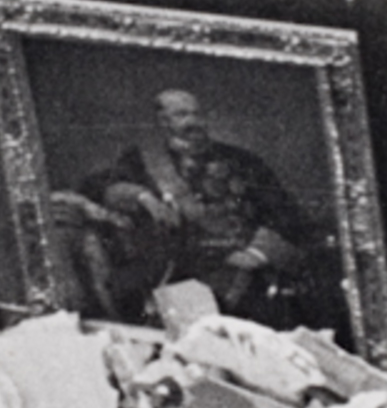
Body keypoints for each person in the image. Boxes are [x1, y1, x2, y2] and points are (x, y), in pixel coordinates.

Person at [49, 88, 327, 330]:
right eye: (182, 115)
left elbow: (286, 213)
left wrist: (256, 254)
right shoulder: (142, 161)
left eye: (196, 114)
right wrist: (142, 196)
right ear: (164, 121)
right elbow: (97, 188)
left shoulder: (242, 160)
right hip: (181, 270)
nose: (193, 122)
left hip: (247, 266)